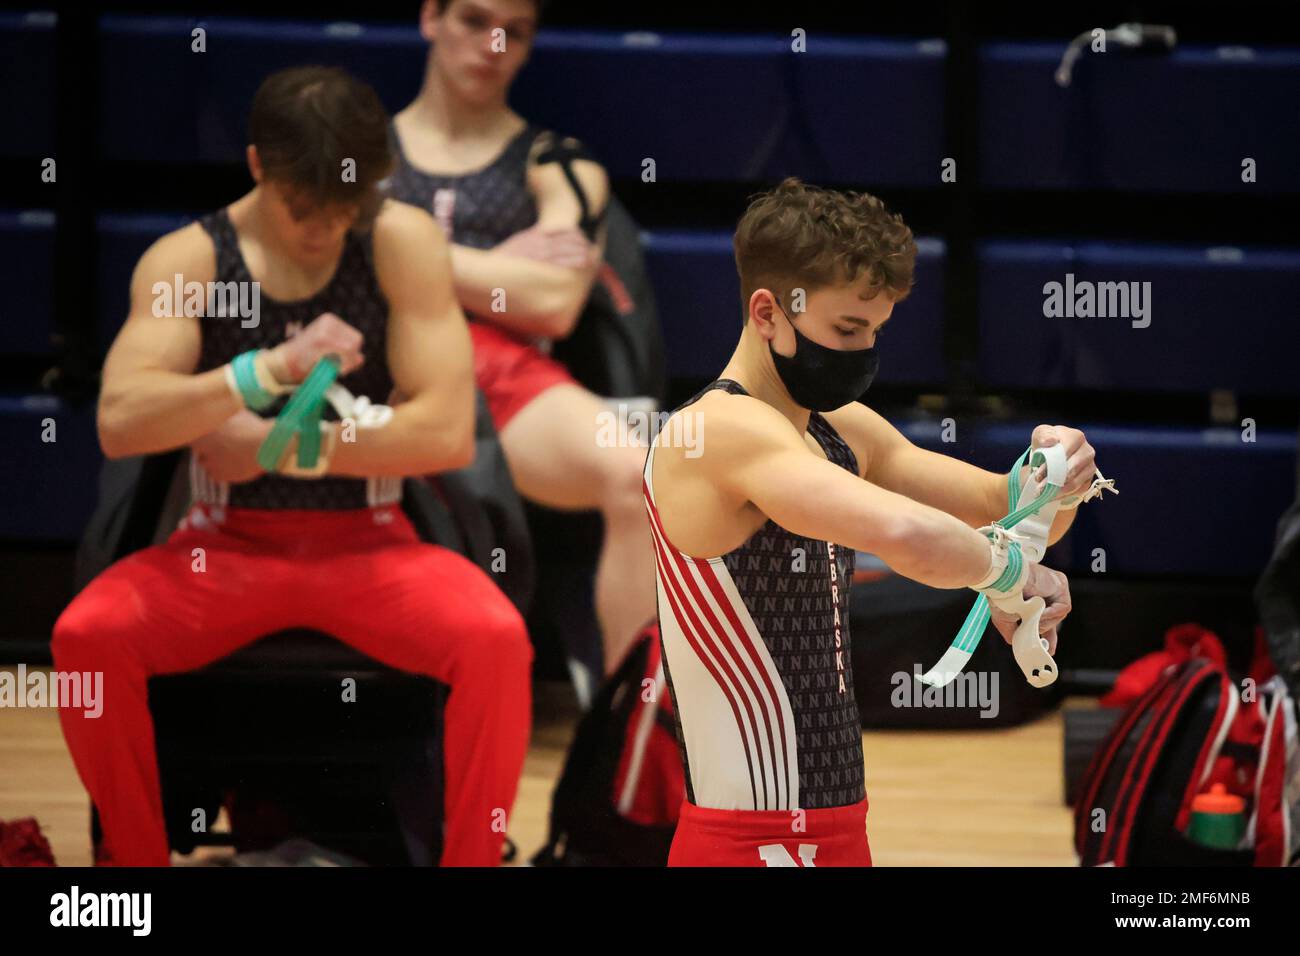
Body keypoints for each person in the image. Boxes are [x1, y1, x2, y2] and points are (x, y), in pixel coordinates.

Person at [51, 66, 531, 867]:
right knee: (85, 638)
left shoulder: (399, 240)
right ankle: (132, 867)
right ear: (256, 168)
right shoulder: (190, 260)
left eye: (345, 210)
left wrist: (279, 445)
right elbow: (120, 420)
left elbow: (445, 434)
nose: (322, 230)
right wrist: (266, 370)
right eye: (302, 208)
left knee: (497, 641)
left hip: (370, 544)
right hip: (224, 545)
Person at [645, 178, 1093, 867]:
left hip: (837, 824)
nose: (862, 352)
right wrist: (1010, 572)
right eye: (846, 329)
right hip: (748, 841)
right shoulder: (716, 432)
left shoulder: (838, 429)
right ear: (767, 312)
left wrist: (1053, 477)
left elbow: (1003, 508)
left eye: (876, 331)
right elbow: (910, 537)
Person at [387, 0, 656, 675]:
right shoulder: (360, 153)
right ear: (430, 19)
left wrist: (404, 253)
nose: (494, 43)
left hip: (504, 375)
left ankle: (626, 728)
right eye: (475, 20)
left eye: (517, 31)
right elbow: (328, 273)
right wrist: (505, 263)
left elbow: (556, 305)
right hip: (381, 370)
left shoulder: (558, 162)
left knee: (639, 478)